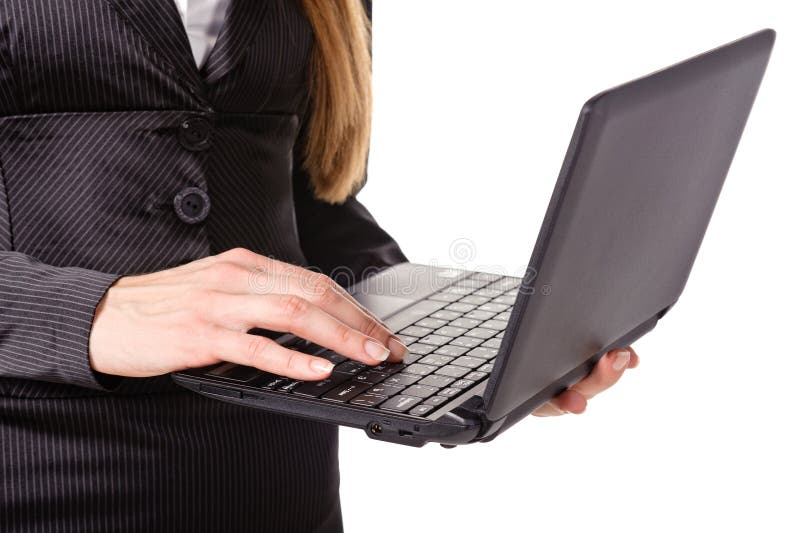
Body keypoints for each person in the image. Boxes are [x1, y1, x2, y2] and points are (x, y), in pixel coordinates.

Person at [0, 1, 639, 531]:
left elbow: (307, 202)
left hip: (278, 471)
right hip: (40, 465)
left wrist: (450, 347)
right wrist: (90, 311)